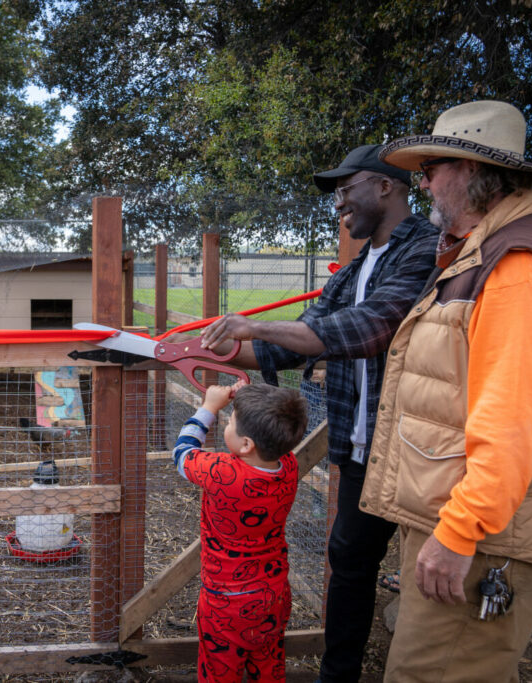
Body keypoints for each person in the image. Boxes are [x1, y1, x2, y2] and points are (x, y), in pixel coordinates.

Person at [361, 100, 532, 681]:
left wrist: (459, 531)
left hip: (486, 539)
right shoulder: (488, 251)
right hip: (479, 529)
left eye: (433, 166)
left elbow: (514, 423)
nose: (420, 180)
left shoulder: (519, 269)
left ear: (473, 174)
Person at [199, 144, 439, 682]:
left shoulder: (426, 249)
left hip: (412, 448)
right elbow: (296, 343)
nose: (339, 203)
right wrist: (208, 351)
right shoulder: (354, 269)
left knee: (427, 566)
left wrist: (256, 325)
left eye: (345, 188)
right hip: (360, 448)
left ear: (385, 185)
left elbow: (371, 328)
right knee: (350, 563)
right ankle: (341, 674)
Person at [172, 380, 307, 682]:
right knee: (269, 663)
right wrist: (247, 394)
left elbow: (182, 453)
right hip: (274, 592)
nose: (225, 425)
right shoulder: (288, 465)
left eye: (230, 422)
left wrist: (209, 407)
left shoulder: (223, 472)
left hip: (225, 602)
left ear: (247, 445)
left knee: (220, 671)